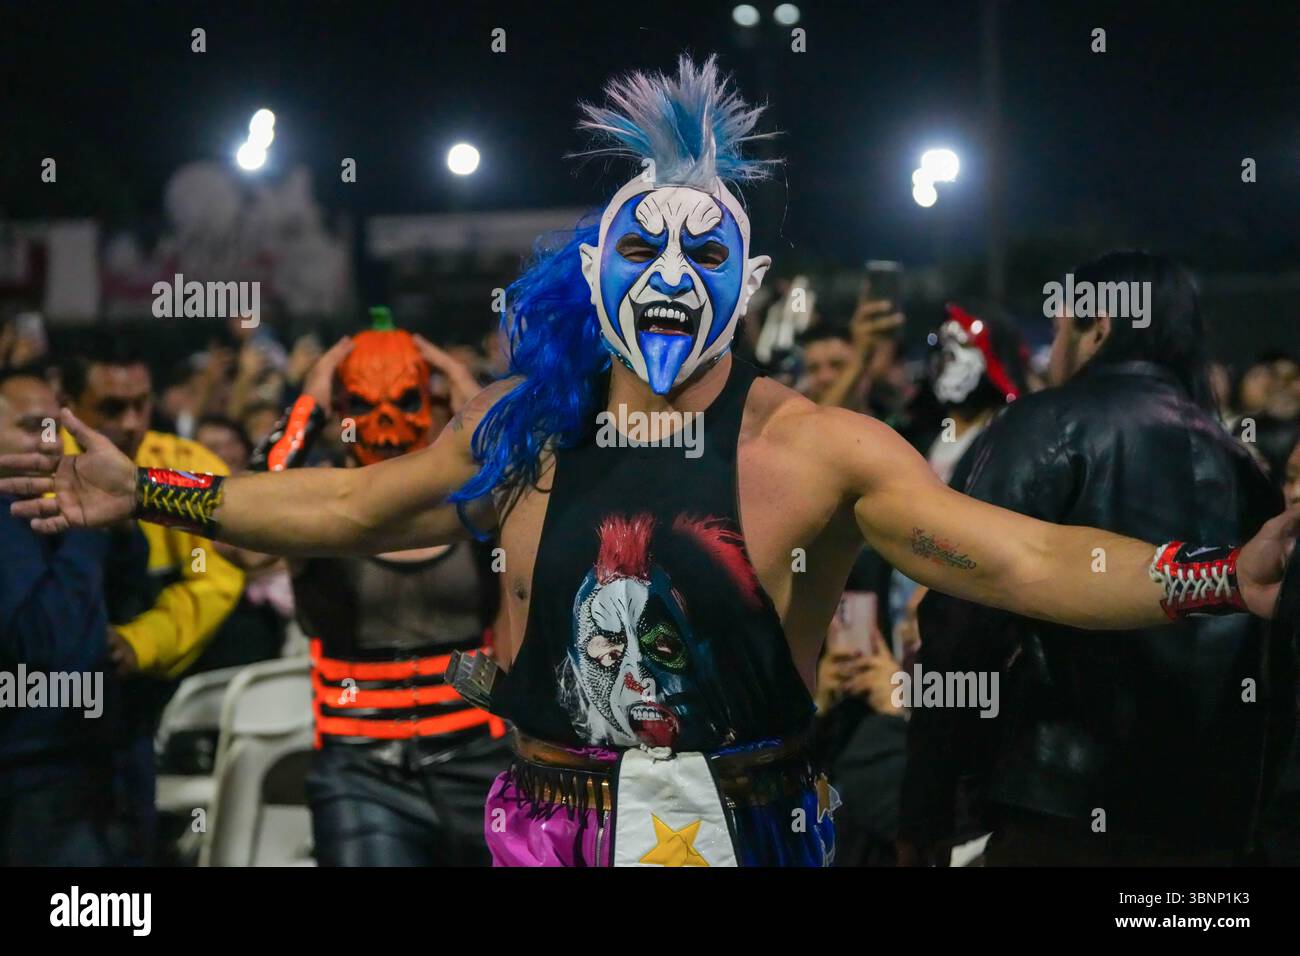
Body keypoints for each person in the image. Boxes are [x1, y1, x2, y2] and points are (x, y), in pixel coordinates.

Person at [4, 58, 1298, 868]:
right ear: (596, 270)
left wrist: (1215, 578)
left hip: (749, 824)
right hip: (544, 820)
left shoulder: (817, 449)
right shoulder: (521, 429)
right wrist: (147, 489)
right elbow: (344, 502)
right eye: (641, 253)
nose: (670, 279)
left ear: (749, 285)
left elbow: (1018, 558)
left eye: (703, 257)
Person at [899, 251, 1292, 866]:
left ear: (1099, 328)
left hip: (1058, 808)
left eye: (1058, 329)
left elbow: (961, 618)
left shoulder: (1041, 426)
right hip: (1207, 821)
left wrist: (926, 806)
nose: (1049, 348)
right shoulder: (1243, 464)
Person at [249, 309, 509, 866]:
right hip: (360, 772)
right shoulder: (315, 506)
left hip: (481, 758)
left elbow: (534, 484)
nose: (385, 425)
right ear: (342, 411)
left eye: (405, 403)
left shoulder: (477, 497)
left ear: (433, 403)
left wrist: (477, 402)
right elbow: (247, 536)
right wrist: (306, 408)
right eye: (364, 407)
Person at [61, 345, 244, 862]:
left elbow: (212, 583)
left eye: (141, 405)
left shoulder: (186, 468)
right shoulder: (38, 471)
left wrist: (138, 644)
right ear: (68, 402)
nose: (131, 423)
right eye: (112, 409)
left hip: (145, 706)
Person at [0, 367, 147, 865]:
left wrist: (122, 532)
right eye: (29, 426)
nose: (47, 444)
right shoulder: (10, 516)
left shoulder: (45, 503)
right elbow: (48, 647)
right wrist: (91, 528)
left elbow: (129, 595)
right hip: (33, 779)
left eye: (52, 429)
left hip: (103, 762)